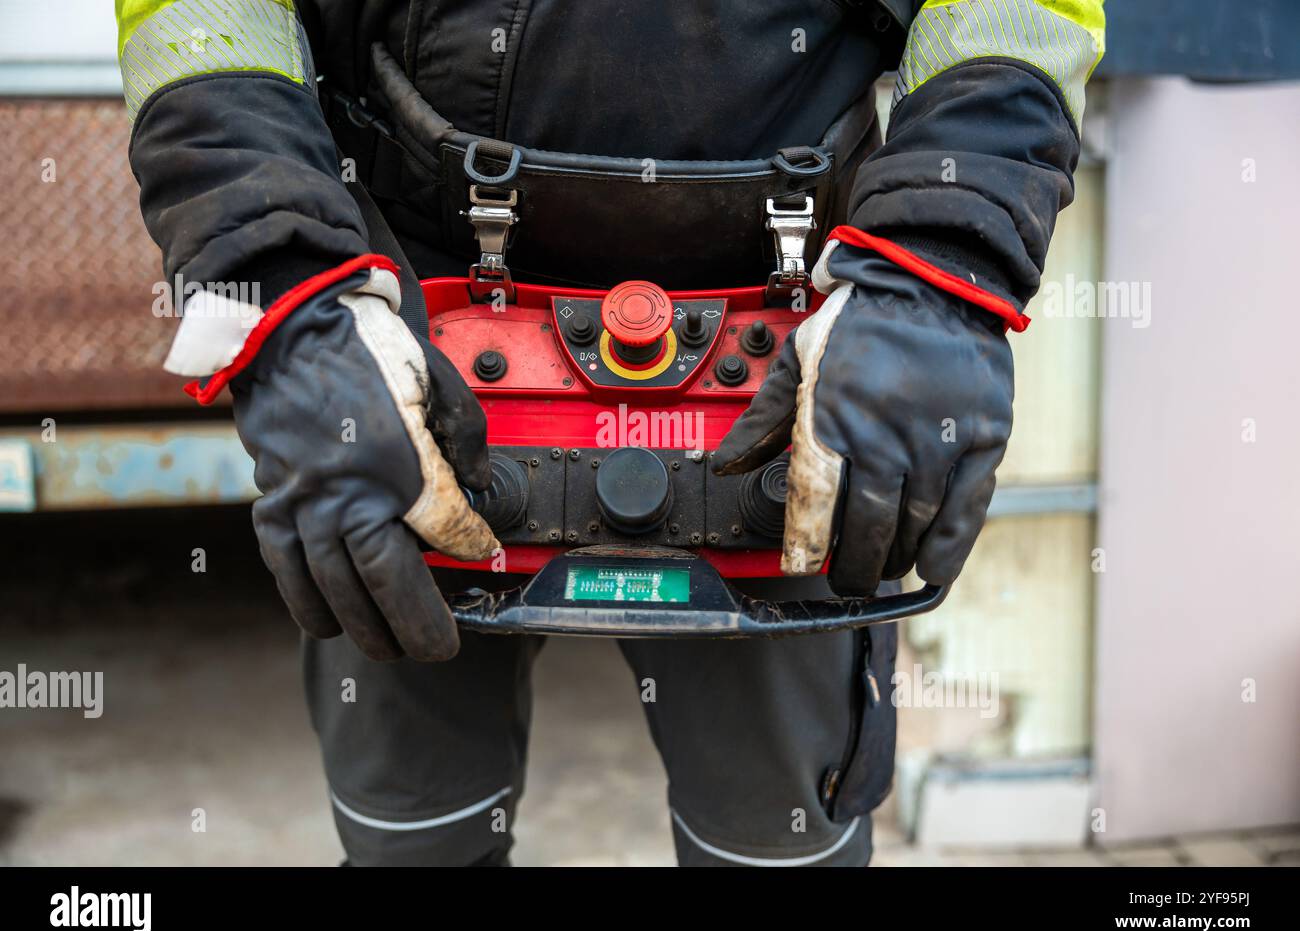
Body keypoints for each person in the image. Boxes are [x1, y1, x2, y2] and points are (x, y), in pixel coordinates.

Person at [115, 0, 1104, 866]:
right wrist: (285, 279)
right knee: (413, 833)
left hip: (796, 352)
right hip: (398, 346)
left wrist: (933, 260)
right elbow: (203, 11)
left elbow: (1011, 9)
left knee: (773, 841)